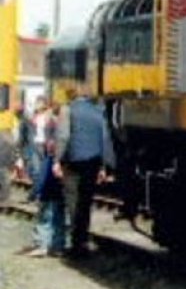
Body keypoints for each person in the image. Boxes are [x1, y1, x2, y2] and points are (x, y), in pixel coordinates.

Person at [53, 92, 115, 258]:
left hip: (72, 161)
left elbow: (63, 136)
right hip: (93, 162)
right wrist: (104, 165)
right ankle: (83, 240)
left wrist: (57, 160)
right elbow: (104, 138)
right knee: (85, 201)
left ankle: (76, 243)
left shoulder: (67, 110)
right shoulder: (98, 110)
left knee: (73, 201)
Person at [21, 98, 66, 257]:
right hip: (59, 182)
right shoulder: (61, 147)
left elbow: (43, 177)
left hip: (49, 184)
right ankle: (58, 245)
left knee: (46, 212)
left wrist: (33, 192)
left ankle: (42, 244)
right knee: (59, 212)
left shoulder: (51, 154)